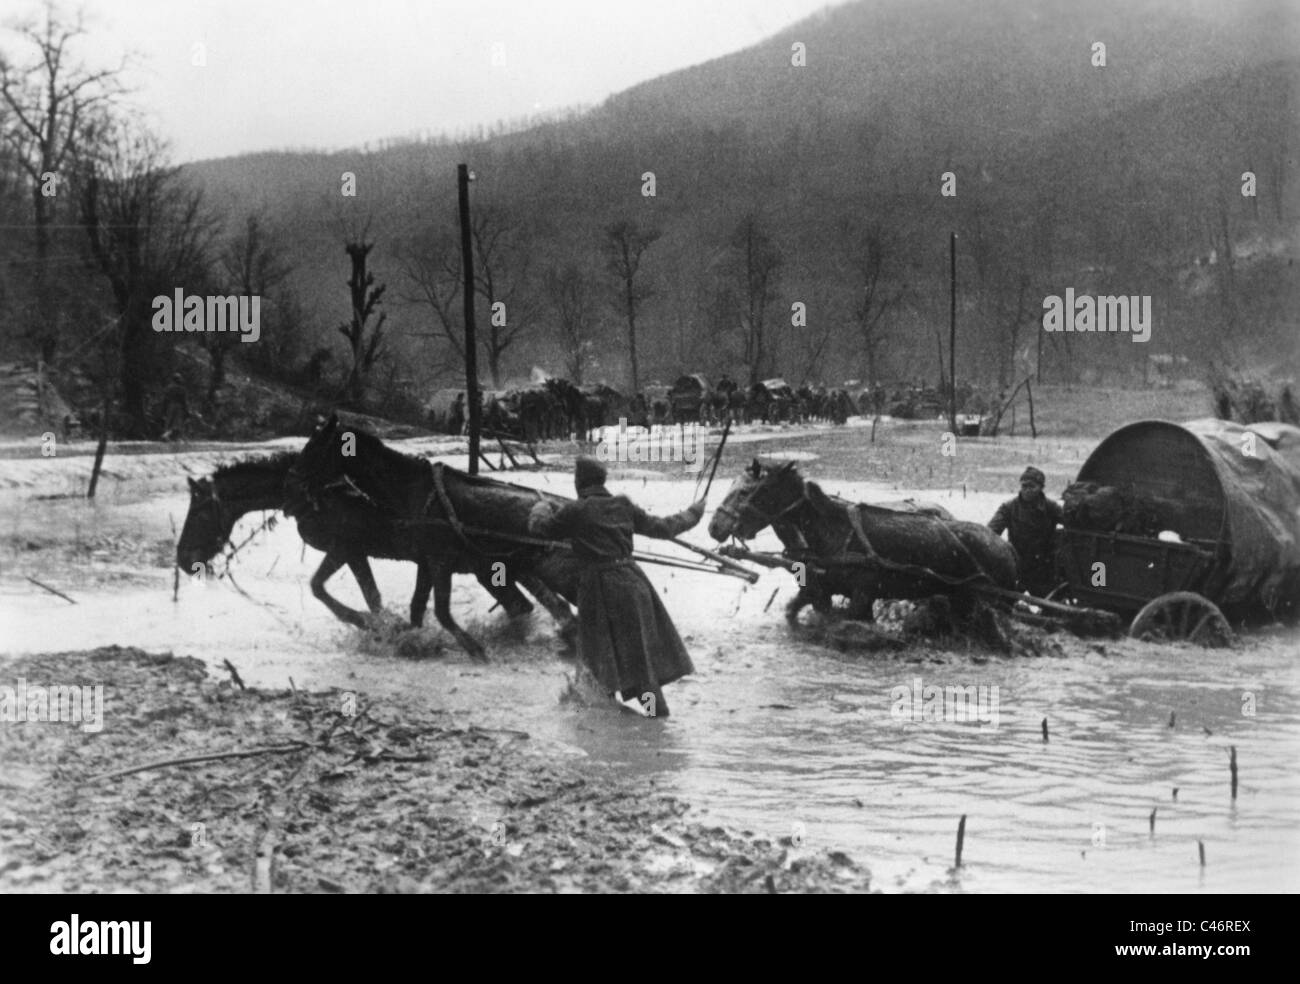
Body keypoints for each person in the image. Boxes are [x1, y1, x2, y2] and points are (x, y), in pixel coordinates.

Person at [528, 456, 706, 719]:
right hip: (633, 585)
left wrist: (541, 507)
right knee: (639, 659)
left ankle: (605, 723)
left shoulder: (576, 511)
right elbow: (663, 527)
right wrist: (694, 513)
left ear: (579, 482)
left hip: (597, 589)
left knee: (598, 659)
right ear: (602, 480)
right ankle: (657, 719)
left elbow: (540, 530)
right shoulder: (622, 504)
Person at [988, 466, 1064, 597]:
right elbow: (991, 533)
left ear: (1041, 487)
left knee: (1050, 603)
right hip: (1017, 563)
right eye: (1024, 486)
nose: (1027, 490)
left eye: (1032, 487)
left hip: (1043, 566)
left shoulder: (1051, 507)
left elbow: (1071, 526)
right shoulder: (1009, 507)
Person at [160, 373, 190, 441]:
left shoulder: (168, 388)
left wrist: (163, 409)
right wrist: (187, 411)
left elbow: (165, 399)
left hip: (170, 405)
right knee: (176, 423)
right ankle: (168, 436)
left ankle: (167, 435)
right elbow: (184, 401)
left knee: (168, 421)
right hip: (178, 406)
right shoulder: (182, 389)